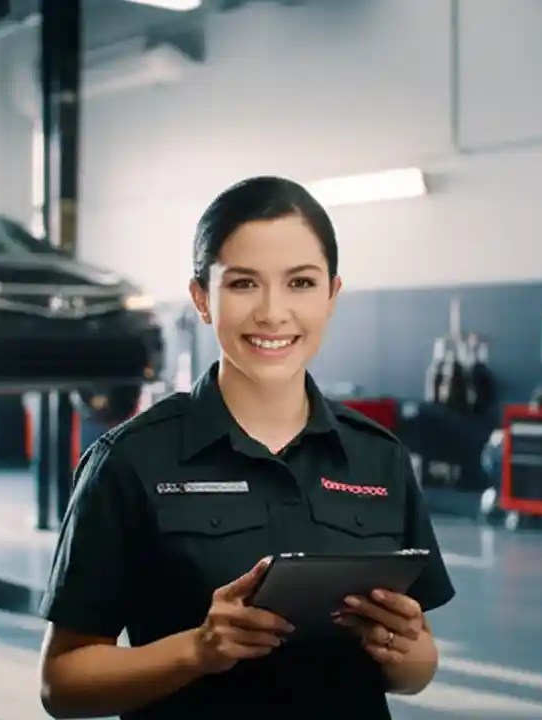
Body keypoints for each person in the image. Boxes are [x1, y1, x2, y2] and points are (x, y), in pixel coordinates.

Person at [37, 176, 455, 719]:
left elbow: (417, 667)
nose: (273, 312)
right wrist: (197, 650)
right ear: (201, 299)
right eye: (243, 284)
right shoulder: (130, 461)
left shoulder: (380, 459)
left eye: (301, 283)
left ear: (331, 295)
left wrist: (402, 650)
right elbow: (62, 684)